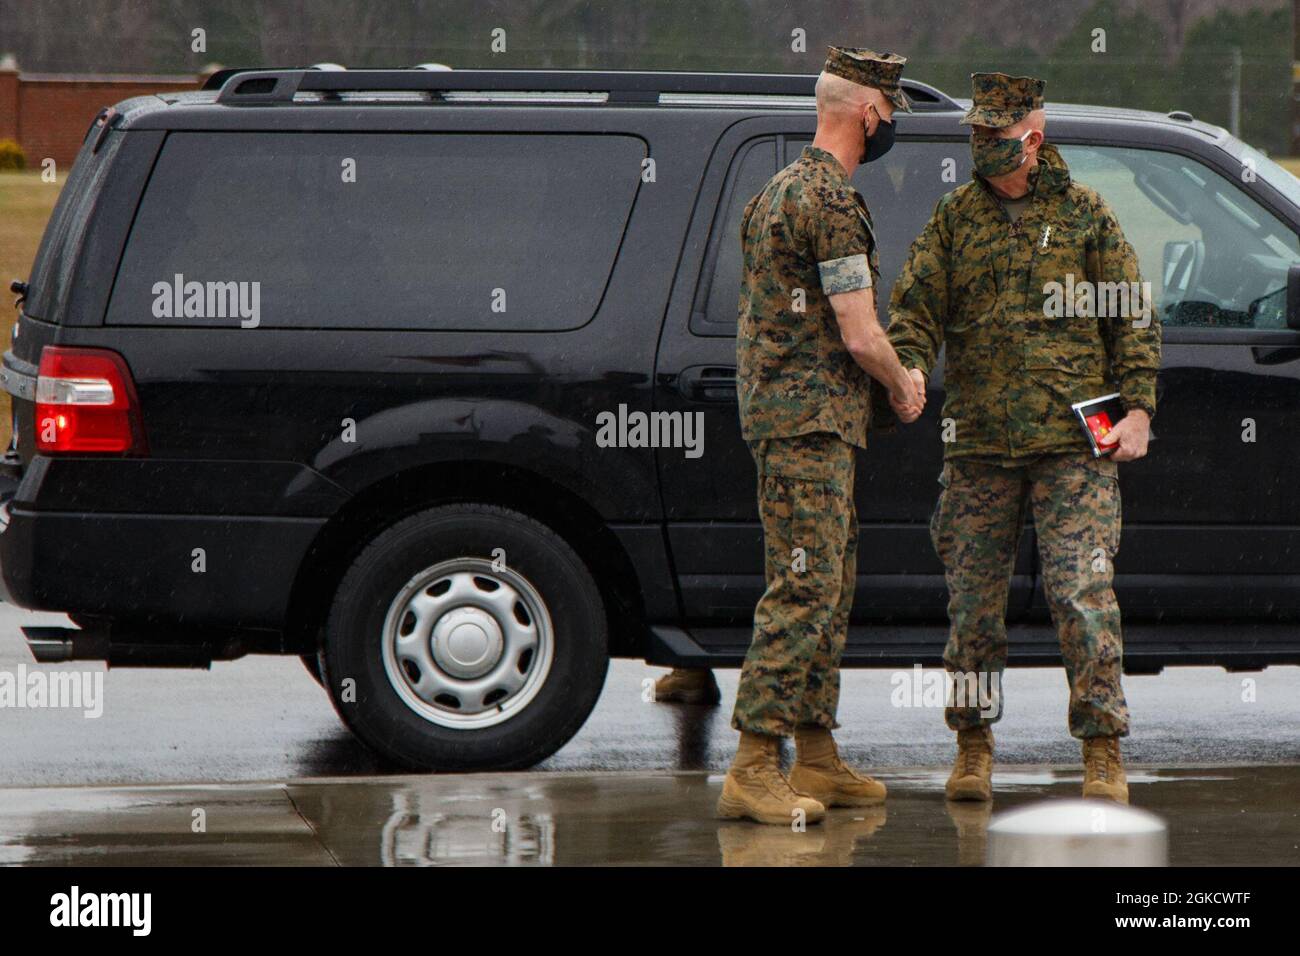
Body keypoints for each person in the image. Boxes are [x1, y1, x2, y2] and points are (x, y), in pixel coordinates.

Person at [887, 73, 1161, 805]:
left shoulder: (1085, 216)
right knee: (973, 608)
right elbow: (914, 310)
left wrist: (1138, 411)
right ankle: (973, 745)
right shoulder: (955, 219)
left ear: (1033, 142)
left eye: (996, 139)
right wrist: (905, 369)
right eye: (975, 136)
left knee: (1082, 593)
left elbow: (1131, 317)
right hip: (979, 444)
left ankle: (1101, 751)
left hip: (1075, 443)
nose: (981, 148)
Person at [717, 47, 926, 827]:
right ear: (868, 112)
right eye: (891, 110)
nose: (891, 124)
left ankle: (814, 754)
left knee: (828, 587)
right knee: (805, 588)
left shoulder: (773, 191)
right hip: (808, 426)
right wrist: (904, 383)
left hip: (801, 425)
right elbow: (860, 329)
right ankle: (752, 764)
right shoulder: (829, 200)